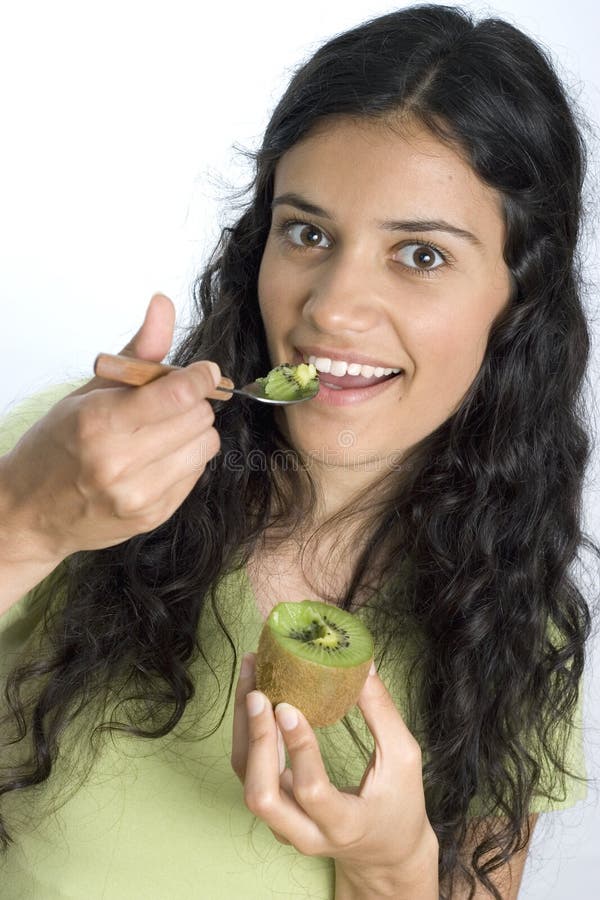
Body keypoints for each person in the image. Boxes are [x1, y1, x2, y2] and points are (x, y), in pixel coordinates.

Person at [0, 4, 597, 898]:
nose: (331, 308)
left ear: (516, 301)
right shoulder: (77, 465)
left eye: (421, 255)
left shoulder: (514, 620)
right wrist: (26, 520)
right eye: (308, 233)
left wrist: (389, 865)